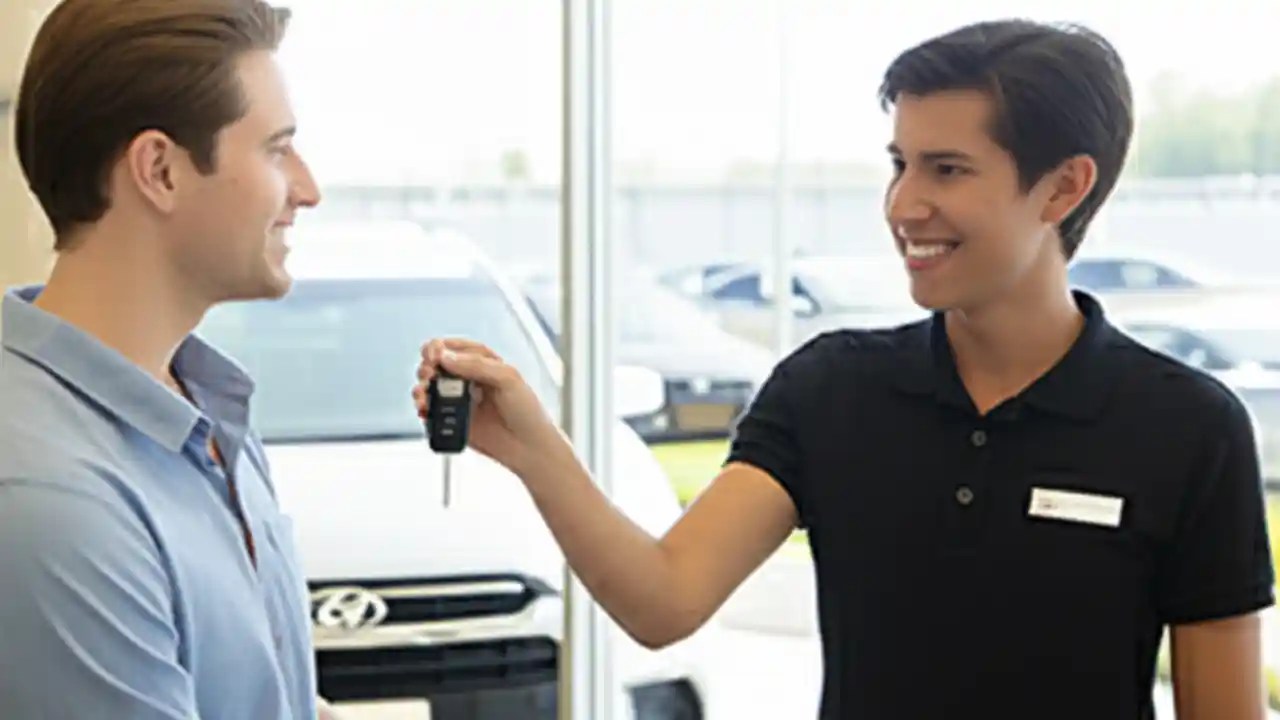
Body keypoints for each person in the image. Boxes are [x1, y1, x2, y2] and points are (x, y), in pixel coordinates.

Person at [415, 19, 1276, 719]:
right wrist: (533, 446)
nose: (905, 205)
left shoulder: (1188, 428)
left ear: (1062, 189)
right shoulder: (831, 390)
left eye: (948, 169)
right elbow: (663, 600)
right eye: (900, 163)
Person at [0, 1, 328, 718]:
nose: (307, 189)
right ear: (161, 170)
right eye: (276, 149)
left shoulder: (202, 408)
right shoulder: (51, 499)